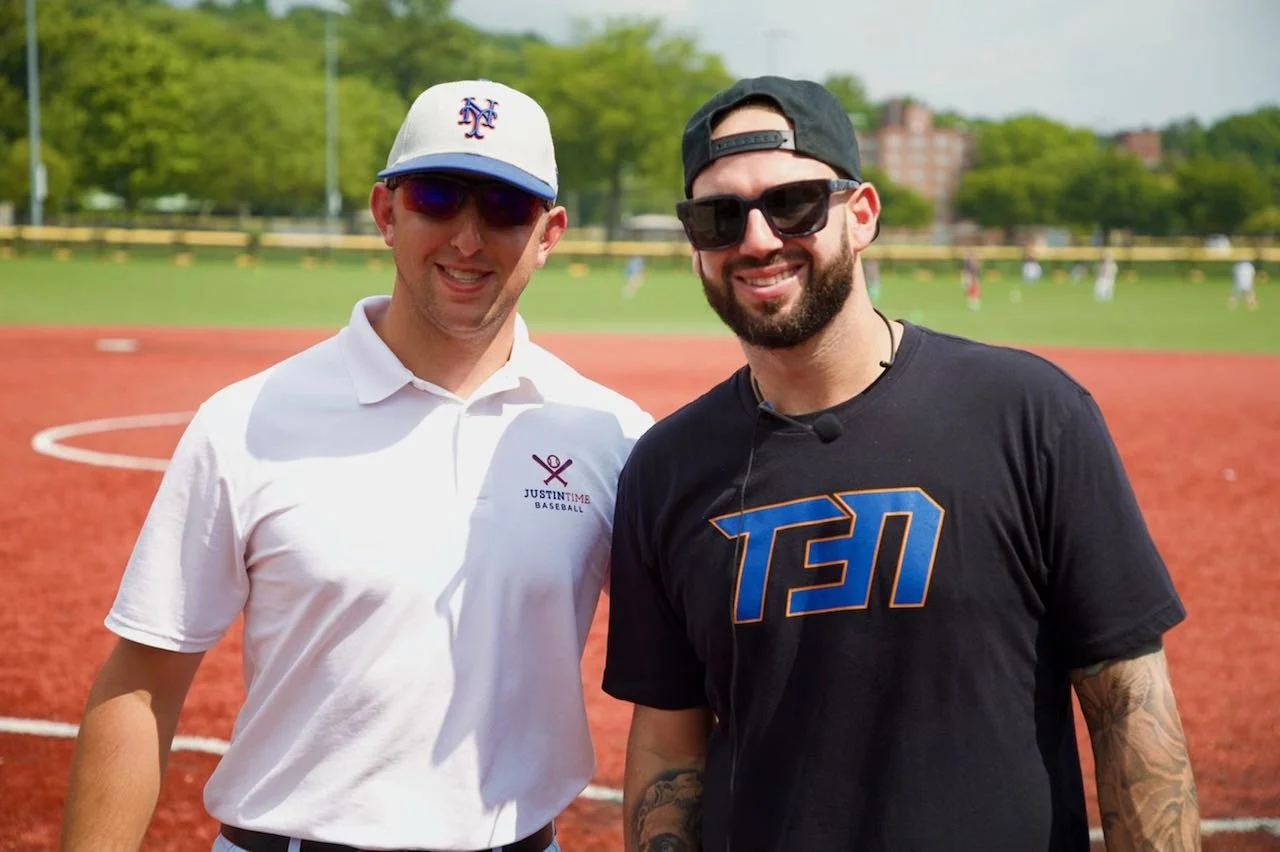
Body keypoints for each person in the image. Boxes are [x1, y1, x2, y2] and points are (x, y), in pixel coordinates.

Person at [603, 75, 1199, 852]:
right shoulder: (666, 468)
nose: (755, 240)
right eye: (718, 216)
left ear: (862, 214)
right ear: (695, 246)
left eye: (793, 203)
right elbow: (668, 750)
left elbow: (1131, 709)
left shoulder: (1029, 413)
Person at [60, 79, 652, 852]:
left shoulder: (609, 435)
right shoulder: (248, 419)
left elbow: (685, 688)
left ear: (549, 233)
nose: (468, 238)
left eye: (505, 208)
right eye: (438, 196)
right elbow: (141, 684)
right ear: (386, 212)